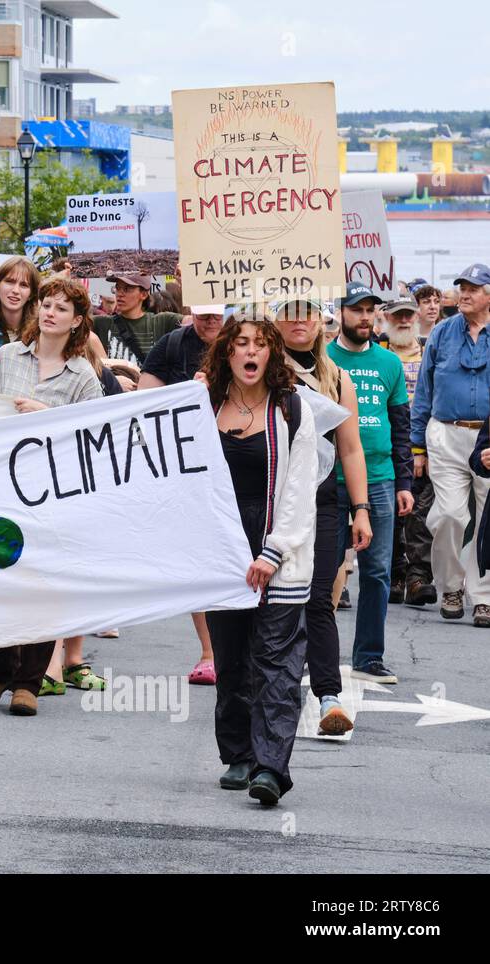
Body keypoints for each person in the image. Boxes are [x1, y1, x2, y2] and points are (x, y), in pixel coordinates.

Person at [0, 277, 105, 716]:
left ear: (77, 321)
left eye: (62, 308)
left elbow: (93, 437)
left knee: (41, 584)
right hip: (0, 487)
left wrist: (47, 415)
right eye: (46, 304)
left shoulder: (83, 375)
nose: (50, 313)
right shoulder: (7, 357)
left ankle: (29, 679)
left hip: (51, 494)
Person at [202, 312, 317, 807]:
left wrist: (273, 550)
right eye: (241, 343)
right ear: (227, 351)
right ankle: (238, 753)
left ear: (271, 353)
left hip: (278, 547)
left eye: (260, 343)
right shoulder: (203, 405)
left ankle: (272, 767)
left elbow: (300, 487)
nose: (250, 351)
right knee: (230, 656)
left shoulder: (294, 408)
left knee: (276, 661)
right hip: (222, 546)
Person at [272, 297, 372, 733]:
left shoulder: (337, 378)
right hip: (272, 501)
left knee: (317, 598)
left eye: (308, 313)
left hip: (324, 504)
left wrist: (362, 509)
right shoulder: (257, 367)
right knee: (274, 600)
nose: (300, 321)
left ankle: (329, 697)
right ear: (274, 320)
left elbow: (350, 448)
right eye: (289, 312)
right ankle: (271, 687)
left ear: (320, 322)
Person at [327, 282, 413, 681]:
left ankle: (368, 657)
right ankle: (314, 654)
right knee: (322, 570)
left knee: (376, 571)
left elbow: (400, 425)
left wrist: (404, 483)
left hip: (379, 477)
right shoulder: (323, 358)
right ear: (341, 312)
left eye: (369, 310)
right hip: (329, 477)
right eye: (356, 309)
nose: (364, 317)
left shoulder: (389, 363)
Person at [138, 304, 226, 686]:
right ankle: (209, 652)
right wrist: (187, 395)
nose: (210, 320)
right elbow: (144, 404)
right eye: (203, 313)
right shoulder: (172, 345)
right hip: (189, 470)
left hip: (241, 464)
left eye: (217, 314)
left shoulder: (249, 343)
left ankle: (246, 648)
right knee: (201, 561)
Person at [411, 264, 490, 627]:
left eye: (473, 288)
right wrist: (416, 448)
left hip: (488, 438)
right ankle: (451, 586)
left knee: (487, 520)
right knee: (450, 515)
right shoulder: (442, 334)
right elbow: (424, 392)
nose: (464, 294)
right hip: (444, 433)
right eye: (461, 287)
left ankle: (483, 596)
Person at [379, 296, 436, 607]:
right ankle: (396, 574)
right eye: (398, 315)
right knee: (390, 514)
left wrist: (421, 448)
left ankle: (417, 577)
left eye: (408, 315)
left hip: (422, 446)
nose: (404, 320)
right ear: (387, 317)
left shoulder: (428, 351)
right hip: (384, 444)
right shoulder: (379, 351)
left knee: (420, 514)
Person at [92, 273, 183, 368]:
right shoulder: (101, 323)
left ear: (143, 294)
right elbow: (76, 321)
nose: (119, 294)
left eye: (127, 289)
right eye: (117, 288)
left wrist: (188, 281)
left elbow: (196, 321)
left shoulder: (162, 321)